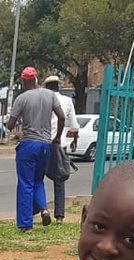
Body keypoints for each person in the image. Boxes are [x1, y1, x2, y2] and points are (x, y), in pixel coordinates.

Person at [6, 66, 67, 232]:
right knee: (38, 180)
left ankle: (26, 225)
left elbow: (10, 124)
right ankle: (44, 209)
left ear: (24, 80)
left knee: (26, 183)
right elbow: (62, 116)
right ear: (36, 79)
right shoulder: (50, 95)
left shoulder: (22, 98)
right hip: (46, 145)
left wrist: (11, 125)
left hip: (28, 144)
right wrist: (57, 137)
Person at [41, 74, 80, 223]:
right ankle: (59, 216)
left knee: (38, 179)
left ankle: (43, 209)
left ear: (46, 87)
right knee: (59, 180)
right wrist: (74, 140)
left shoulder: (43, 101)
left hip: (43, 142)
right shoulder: (67, 101)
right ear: (59, 86)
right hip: (59, 143)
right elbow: (74, 125)